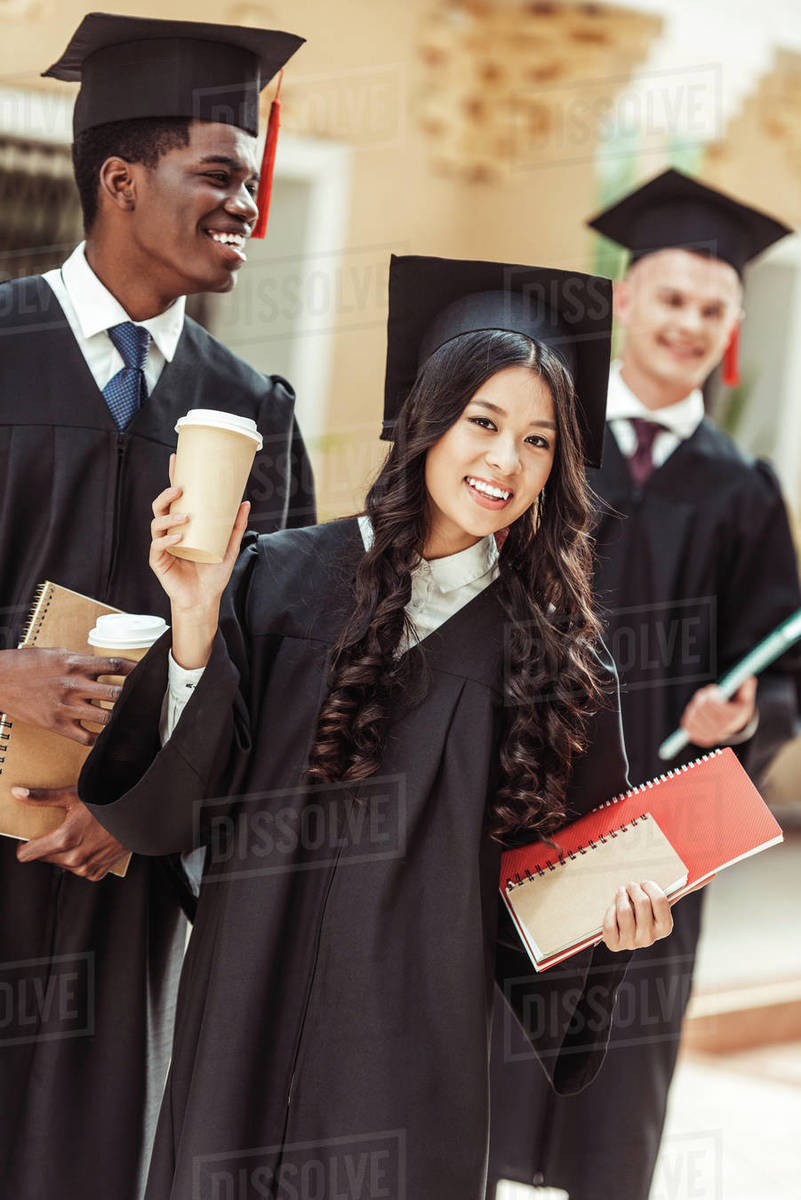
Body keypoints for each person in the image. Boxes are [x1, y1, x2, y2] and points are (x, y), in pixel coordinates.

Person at [78, 254, 675, 1200]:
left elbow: (563, 884)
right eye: (482, 422)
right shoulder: (278, 581)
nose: (503, 462)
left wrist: (617, 929)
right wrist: (194, 618)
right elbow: (171, 815)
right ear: (426, 419)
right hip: (244, 1007)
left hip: (409, 1059)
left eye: (537, 441)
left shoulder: (557, 664)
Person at [0, 14, 313, 1199]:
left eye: (254, 182)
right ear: (121, 183)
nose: (248, 207)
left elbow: (272, 674)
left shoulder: (249, 408)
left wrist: (138, 817)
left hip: (113, 888)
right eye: (221, 176)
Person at [487, 170, 801, 1200]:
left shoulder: (742, 491)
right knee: (473, 1063)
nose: (690, 323)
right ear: (624, 300)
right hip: (513, 802)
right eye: (671, 297)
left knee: (618, 1091)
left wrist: (744, 716)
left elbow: (780, 666)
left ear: (733, 327)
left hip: (653, 835)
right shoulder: (539, 444)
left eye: (714, 309)